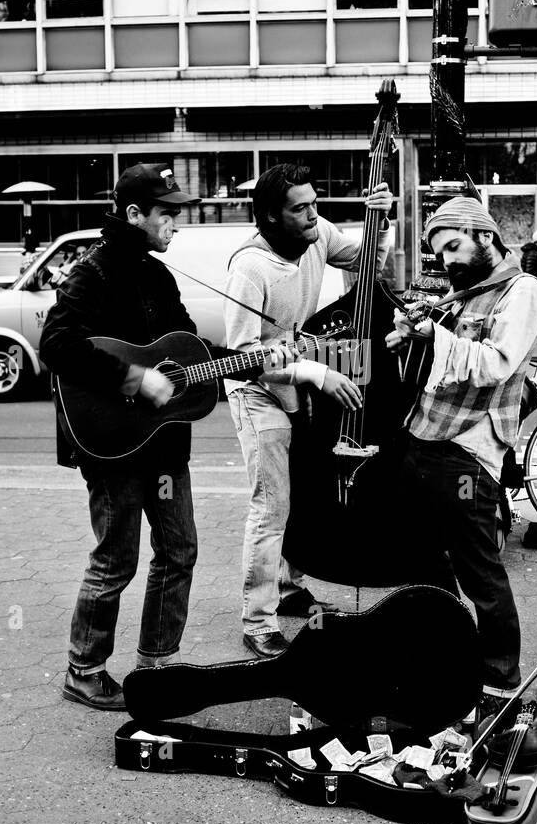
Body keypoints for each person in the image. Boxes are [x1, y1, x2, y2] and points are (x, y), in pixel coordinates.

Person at [39, 163, 203, 711]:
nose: (174, 224)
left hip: (161, 445)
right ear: (134, 214)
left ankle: (156, 664)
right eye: (166, 213)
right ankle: (83, 670)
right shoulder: (93, 273)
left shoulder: (159, 276)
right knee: (116, 560)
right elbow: (58, 345)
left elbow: (188, 354)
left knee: (179, 552)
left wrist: (273, 362)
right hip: (110, 443)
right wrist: (134, 377)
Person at [385, 196, 537, 720]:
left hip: (469, 453)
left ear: (485, 234)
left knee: (481, 575)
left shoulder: (522, 292)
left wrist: (435, 335)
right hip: (424, 440)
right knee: (429, 568)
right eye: (441, 254)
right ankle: (452, 668)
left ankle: (501, 689)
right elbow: (437, 367)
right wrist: (411, 336)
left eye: (455, 246)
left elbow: (497, 363)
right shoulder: (463, 294)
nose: (449, 261)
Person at [224, 164, 393, 658]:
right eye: (301, 208)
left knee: (301, 494)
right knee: (271, 504)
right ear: (271, 218)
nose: (314, 216)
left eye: (315, 202)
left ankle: (290, 587)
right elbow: (242, 357)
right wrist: (319, 374)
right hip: (257, 393)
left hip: (298, 382)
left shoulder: (318, 235)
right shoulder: (249, 268)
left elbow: (366, 264)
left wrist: (379, 219)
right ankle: (257, 621)